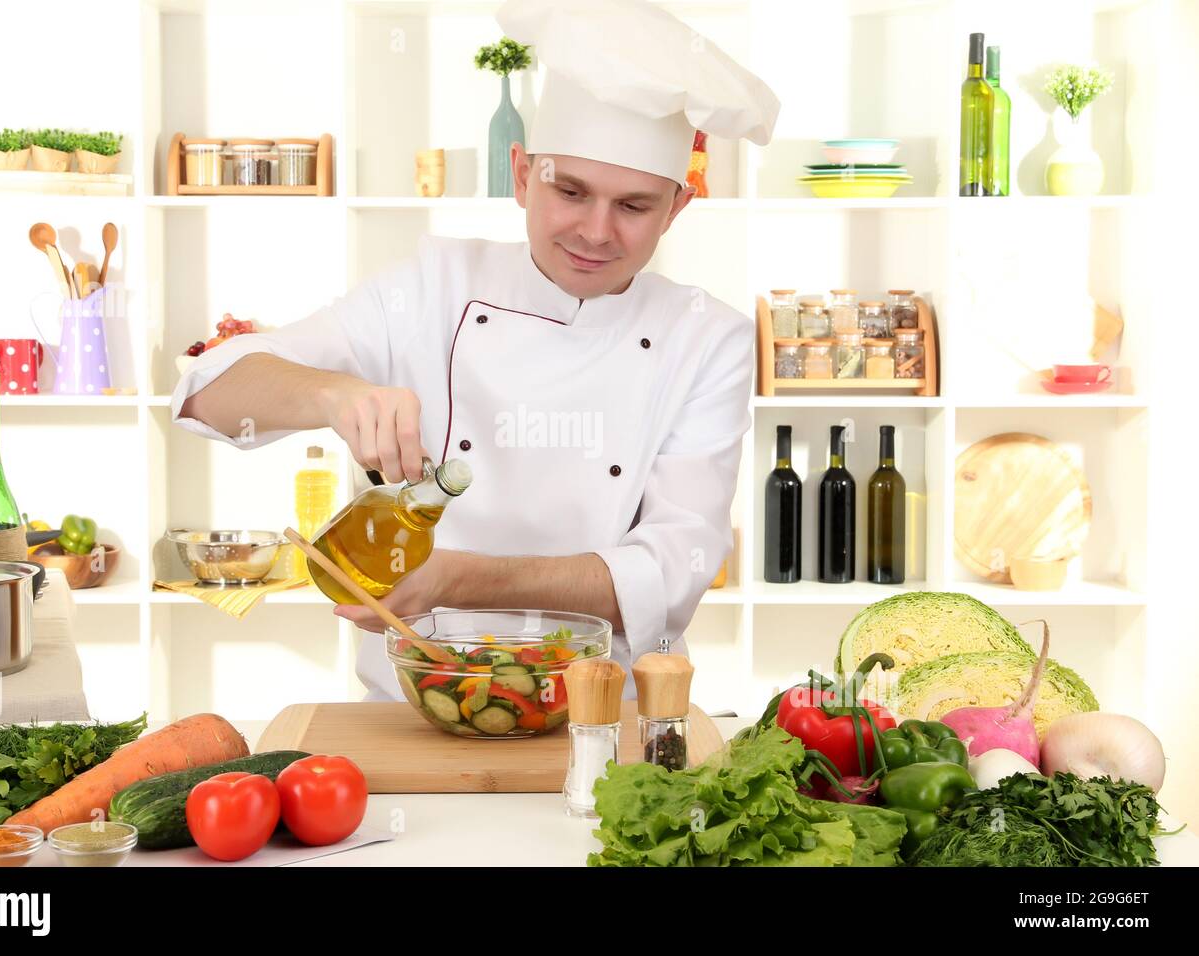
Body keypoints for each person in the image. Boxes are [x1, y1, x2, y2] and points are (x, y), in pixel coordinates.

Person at [172, 0, 779, 699]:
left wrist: (461, 580)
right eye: (570, 191)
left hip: (602, 714)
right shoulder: (433, 285)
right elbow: (207, 392)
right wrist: (332, 395)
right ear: (523, 175)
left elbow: (676, 567)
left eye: (634, 206)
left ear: (677, 208)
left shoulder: (708, 338)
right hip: (412, 706)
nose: (595, 231)